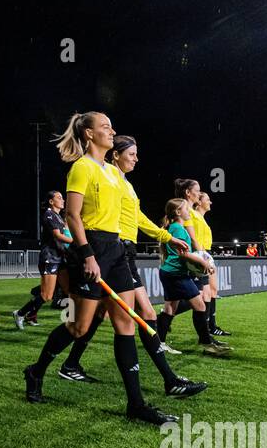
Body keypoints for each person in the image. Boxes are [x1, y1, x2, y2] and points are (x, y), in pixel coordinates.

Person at [22, 112, 177, 425]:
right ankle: (35, 372)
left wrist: (159, 236)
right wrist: (88, 255)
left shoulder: (112, 172)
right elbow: (72, 216)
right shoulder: (82, 168)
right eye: (105, 127)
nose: (113, 131)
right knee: (79, 327)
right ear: (89, 134)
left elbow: (128, 213)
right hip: (90, 250)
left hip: (115, 250)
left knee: (126, 325)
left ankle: (136, 405)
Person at [52, 136, 208, 395]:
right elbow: (86, 214)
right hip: (115, 251)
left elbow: (136, 216)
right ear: (116, 155)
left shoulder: (124, 183)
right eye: (132, 154)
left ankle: (70, 364)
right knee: (135, 315)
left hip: (122, 252)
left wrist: (165, 236)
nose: (136, 159)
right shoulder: (108, 175)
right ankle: (168, 380)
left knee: (103, 317)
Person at [158, 198, 231, 356]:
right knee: (200, 305)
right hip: (175, 274)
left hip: (170, 272)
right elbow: (183, 255)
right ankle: (207, 343)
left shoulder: (175, 227)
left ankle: (160, 342)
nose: (188, 212)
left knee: (171, 307)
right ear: (178, 212)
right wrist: (203, 262)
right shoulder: (177, 228)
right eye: (186, 209)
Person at [13, 191, 70, 328]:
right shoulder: (49, 214)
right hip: (50, 257)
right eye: (59, 198)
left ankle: (72, 321)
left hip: (60, 258)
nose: (63, 200)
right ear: (51, 201)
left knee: (70, 291)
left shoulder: (59, 217)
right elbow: (58, 236)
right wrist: (78, 243)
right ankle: (20, 313)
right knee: (46, 295)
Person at [194, 190, 230, 337]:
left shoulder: (201, 218)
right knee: (199, 296)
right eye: (207, 199)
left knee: (213, 291)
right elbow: (194, 240)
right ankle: (165, 317)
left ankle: (212, 326)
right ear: (199, 202)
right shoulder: (195, 217)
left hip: (206, 254)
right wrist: (203, 258)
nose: (210, 202)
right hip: (201, 256)